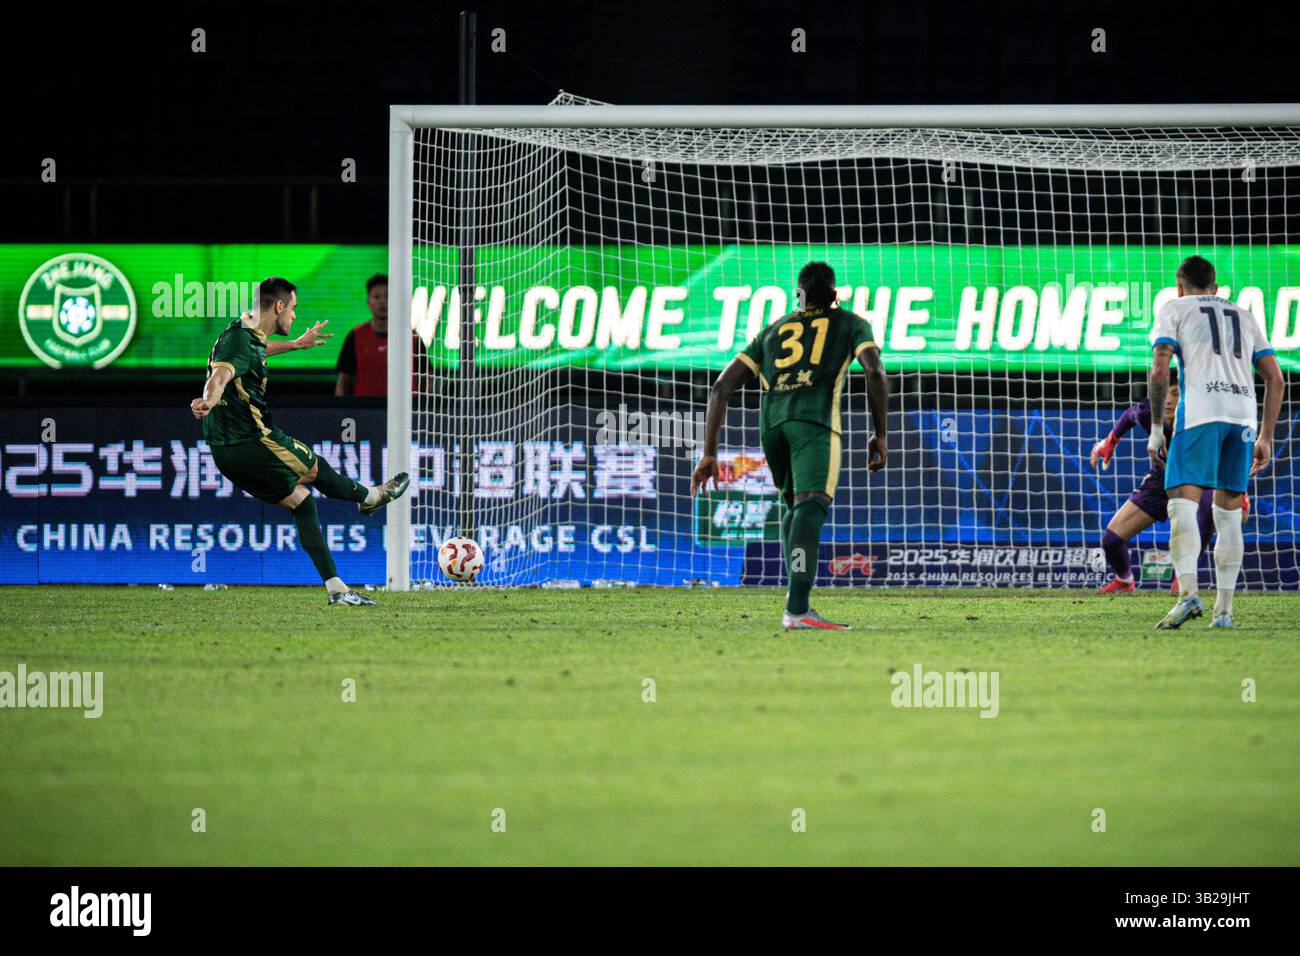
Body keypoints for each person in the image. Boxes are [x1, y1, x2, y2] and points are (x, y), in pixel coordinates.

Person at [691, 262, 889, 630]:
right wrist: (880, 434)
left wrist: (709, 453)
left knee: (795, 508)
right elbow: (875, 371)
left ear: (798, 294)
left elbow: (721, 388)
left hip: (772, 428)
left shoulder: (773, 330)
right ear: (834, 296)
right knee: (811, 506)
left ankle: (794, 599)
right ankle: (798, 608)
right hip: (814, 423)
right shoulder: (850, 322)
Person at [192, 277, 410, 605]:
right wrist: (207, 399)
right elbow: (219, 376)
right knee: (313, 468)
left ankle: (337, 589)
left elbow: (256, 352)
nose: (294, 316)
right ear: (278, 306)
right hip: (254, 441)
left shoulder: (244, 332)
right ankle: (371, 496)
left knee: (301, 501)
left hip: (225, 450)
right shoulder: (239, 341)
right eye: (292, 308)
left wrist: (295, 345)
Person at [1147, 255, 1284, 629]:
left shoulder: (1174, 308)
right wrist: (1266, 437)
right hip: (1241, 417)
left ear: (1179, 286)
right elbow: (1276, 378)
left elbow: (1160, 367)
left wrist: (1158, 428)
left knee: (1181, 504)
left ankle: (1188, 594)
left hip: (1200, 414)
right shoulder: (1245, 314)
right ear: (1217, 288)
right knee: (1228, 516)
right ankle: (1224, 613)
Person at [1090, 370, 1246, 595]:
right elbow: (1129, 415)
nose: (1170, 401)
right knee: (1111, 540)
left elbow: (1228, 451)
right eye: (1165, 394)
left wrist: (1239, 488)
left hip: (1199, 479)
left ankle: (1183, 576)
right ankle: (1124, 580)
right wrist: (1110, 441)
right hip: (1162, 480)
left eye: (1176, 393)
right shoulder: (1149, 412)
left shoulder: (1203, 419)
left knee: (1207, 509)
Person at [335, 274, 390, 397]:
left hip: (405, 414)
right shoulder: (355, 336)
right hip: (364, 412)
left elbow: (426, 379)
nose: (382, 301)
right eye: (376, 297)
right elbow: (344, 380)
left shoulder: (412, 338)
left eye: (387, 296)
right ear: (368, 302)